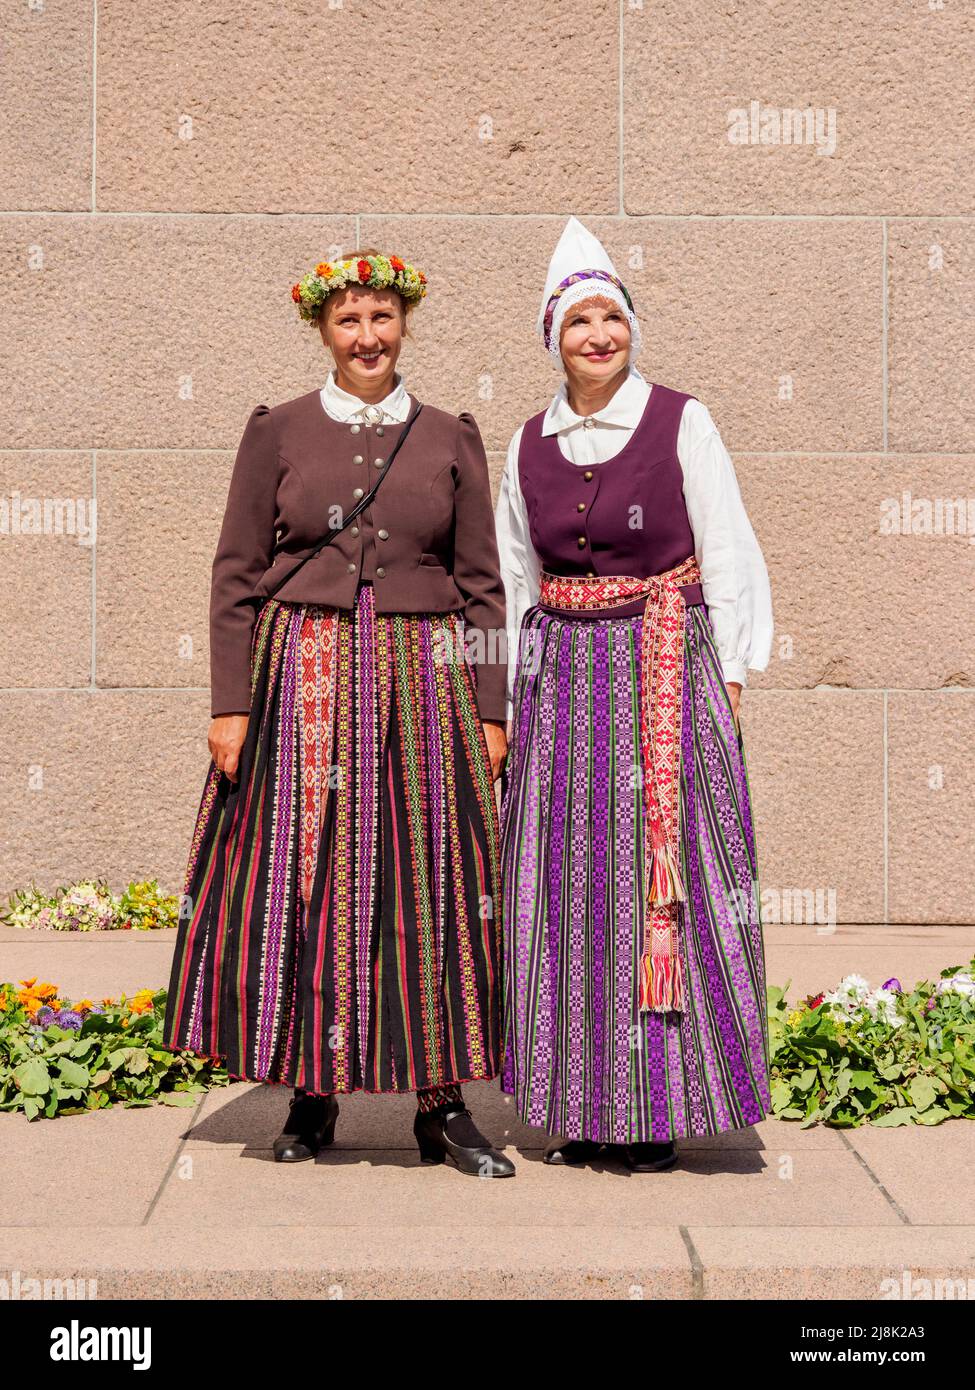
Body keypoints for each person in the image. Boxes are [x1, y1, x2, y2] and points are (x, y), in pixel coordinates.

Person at [163, 249, 514, 1178]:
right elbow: (236, 571)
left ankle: (442, 1110)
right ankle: (310, 1093)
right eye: (349, 321)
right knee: (303, 878)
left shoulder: (448, 436)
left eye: (382, 318)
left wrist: (488, 704)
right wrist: (230, 704)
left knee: (430, 881)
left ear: (405, 325)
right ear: (323, 329)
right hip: (300, 682)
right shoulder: (276, 430)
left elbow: (482, 584)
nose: (368, 336)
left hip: (423, 678)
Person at [495, 218, 773, 1172]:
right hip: (566, 678)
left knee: (665, 881)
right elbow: (514, 576)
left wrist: (727, 672)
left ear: (631, 329)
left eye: (612, 316)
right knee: (567, 888)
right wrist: (508, 696)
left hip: (664, 661)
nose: (598, 334)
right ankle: (577, 1102)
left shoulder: (682, 421)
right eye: (579, 321)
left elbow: (725, 548)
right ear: (552, 338)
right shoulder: (527, 441)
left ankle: (657, 1106)